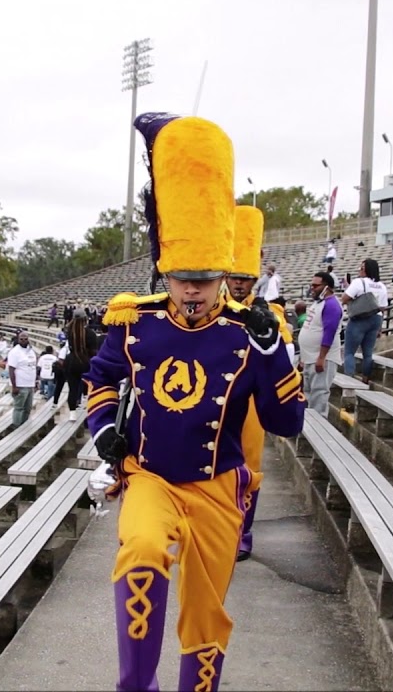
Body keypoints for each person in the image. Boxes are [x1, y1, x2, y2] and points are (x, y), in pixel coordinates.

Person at [84, 112, 305, 692]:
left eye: (203, 278)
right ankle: (136, 686)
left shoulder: (249, 334)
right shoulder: (135, 320)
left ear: (222, 276)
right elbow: (100, 379)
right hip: (150, 476)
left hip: (216, 486)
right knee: (141, 549)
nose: (191, 289)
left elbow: (287, 422)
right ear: (167, 271)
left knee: (206, 616)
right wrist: (105, 431)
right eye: (182, 276)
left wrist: (274, 353)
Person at [226, 204, 296, 561]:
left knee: (248, 465)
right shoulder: (212, 308)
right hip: (214, 398)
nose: (239, 283)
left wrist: (269, 333)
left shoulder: (272, 314)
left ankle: (243, 531)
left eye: (246, 278)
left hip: (251, 402)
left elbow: (286, 360)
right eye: (234, 276)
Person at [298, 271, 344, 415]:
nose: (312, 288)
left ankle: (318, 423)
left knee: (318, 394)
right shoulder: (319, 303)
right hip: (310, 357)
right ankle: (309, 423)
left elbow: (329, 333)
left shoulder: (332, 305)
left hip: (322, 357)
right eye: (311, 285)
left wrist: (321, 357)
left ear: (327, 287)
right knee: (308, 393)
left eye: (315, 286)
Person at [341, 258, 389, 382]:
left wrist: (348, 289)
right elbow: (383, 307)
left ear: (365, 269)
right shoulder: (382, 286)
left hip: (360, 318)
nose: (359, 270)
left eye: (361, 268)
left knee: (349, 352)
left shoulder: (359, 282)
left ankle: (349, 380)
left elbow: (344, 298)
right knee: (368, 353)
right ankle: (365, 378)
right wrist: (380, 327)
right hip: (376, 318)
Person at [56, 311, 100, 421]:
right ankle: (87, 404)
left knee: (73, 389)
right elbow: (94, 351)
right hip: (85, 361)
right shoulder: (90, 333)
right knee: (89, 385)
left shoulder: (70, 332)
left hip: (71, 361)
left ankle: (72, 413)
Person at [7, 331, 38, 428]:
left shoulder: (31, 351)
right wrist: (14, 386)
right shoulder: (14, 352)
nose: (24, 340)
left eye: (25, 339)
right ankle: (16, 426)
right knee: (19, 408)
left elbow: (34, 367)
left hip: (30, 385)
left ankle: (24, 426)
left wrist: (35, 382)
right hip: (20, 385)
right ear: (18, 339)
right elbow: (11, 369)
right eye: (21, 339)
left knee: (28, 408)